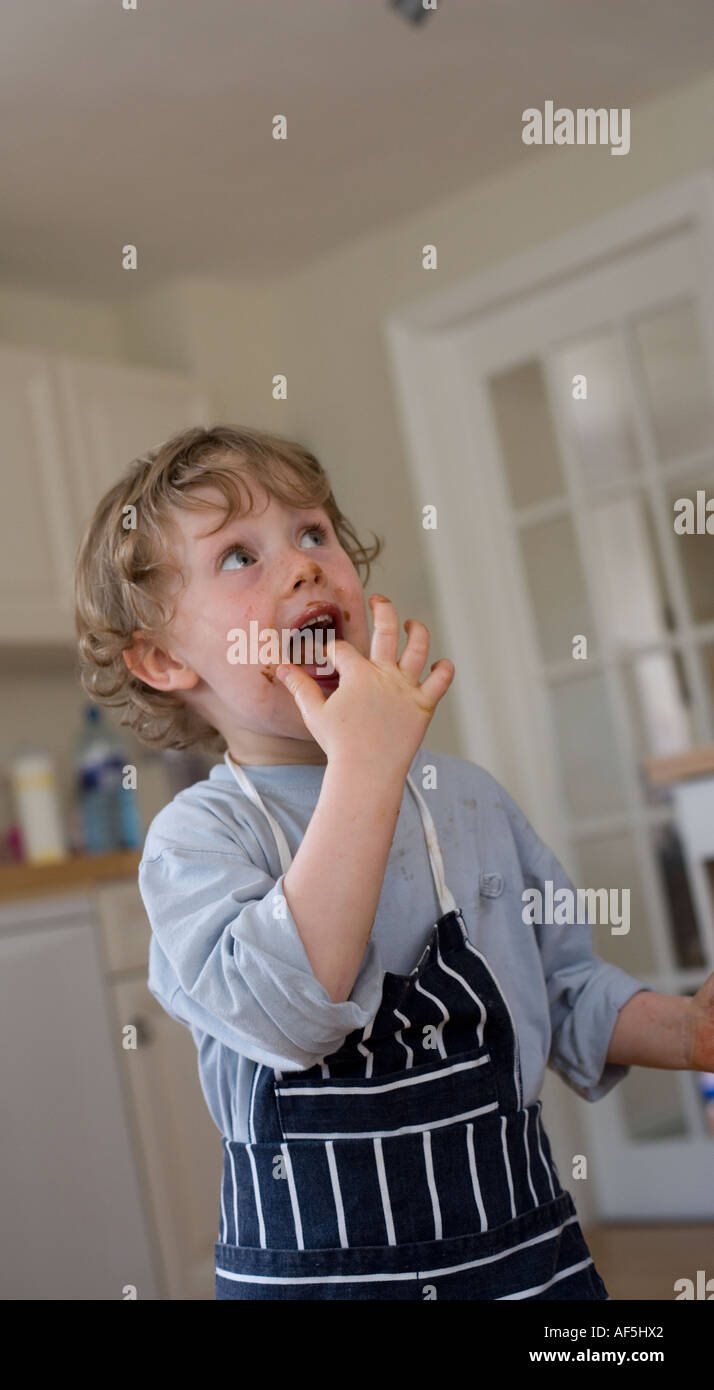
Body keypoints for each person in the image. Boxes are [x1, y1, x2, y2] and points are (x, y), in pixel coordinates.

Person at [75, 424, 714, 1300]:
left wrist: (687, 1032)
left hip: (523, 1258)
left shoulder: (470, 800)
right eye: (237, 557)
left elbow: (563, 989)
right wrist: (367, 770)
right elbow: (291, 1015)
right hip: (316, 1276)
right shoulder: (199, 841)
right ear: (162, 659)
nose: (302, 565)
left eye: (313, 533)